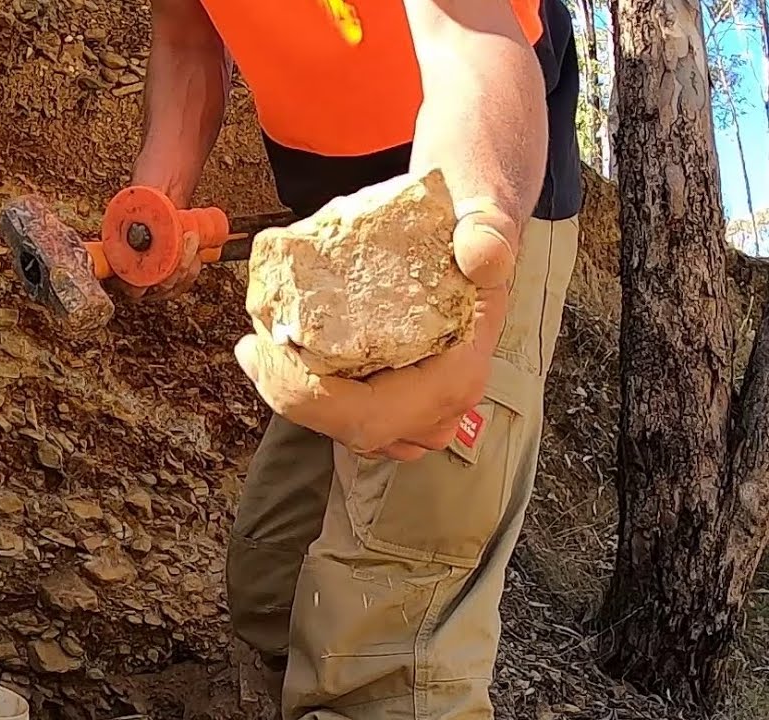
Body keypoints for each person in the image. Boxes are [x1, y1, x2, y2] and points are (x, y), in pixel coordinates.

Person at [119, 1, 583, 718]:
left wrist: (471, 298)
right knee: (275, 580)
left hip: (481, 169)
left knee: (384, 634)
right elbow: (187, 36)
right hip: (335, 224)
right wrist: (161, 201)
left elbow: (473, 45)